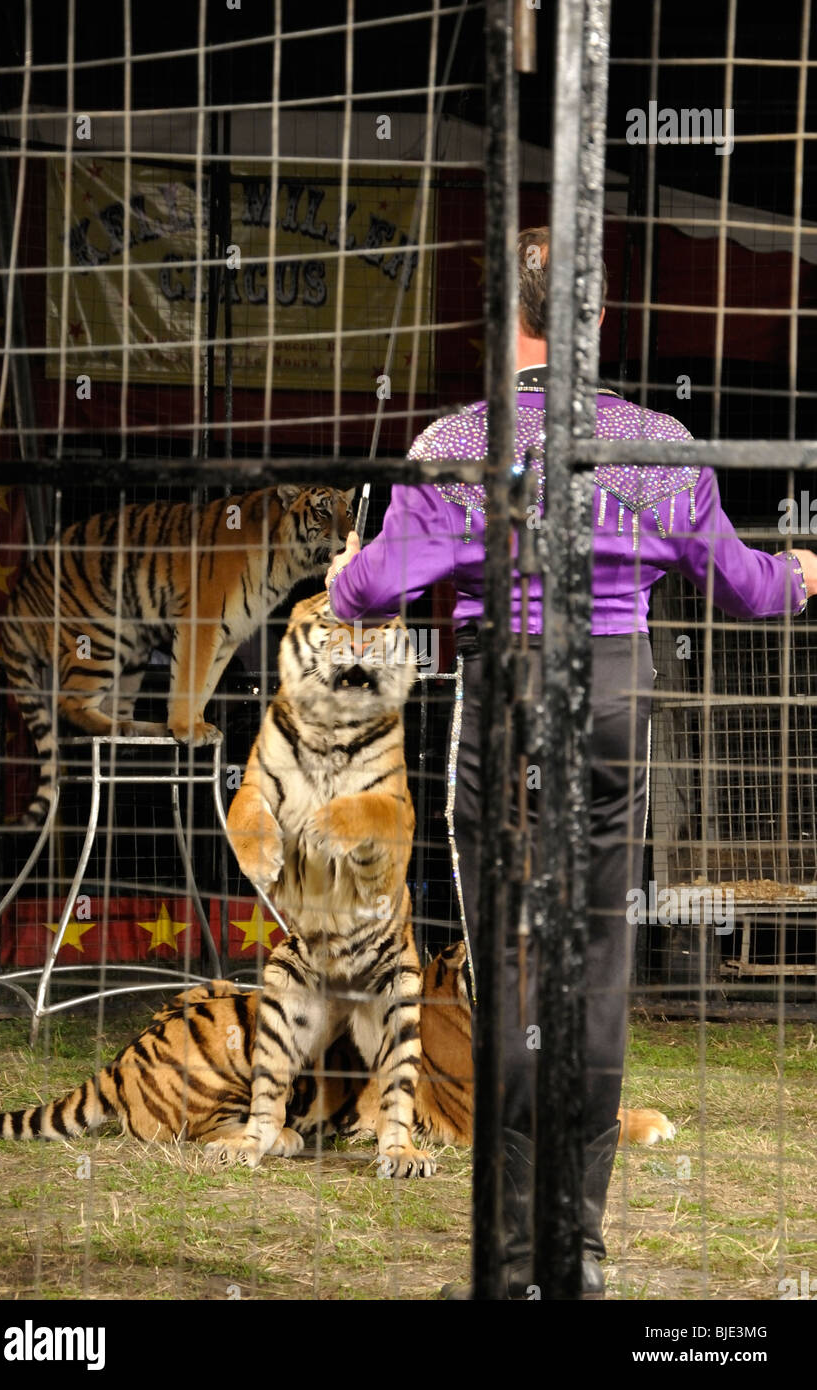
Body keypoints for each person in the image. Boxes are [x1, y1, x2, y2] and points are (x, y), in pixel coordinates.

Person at [325, 226, 817, 1300]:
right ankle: (577, 1249)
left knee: (504, 965)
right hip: (611, 699)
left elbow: (366, 594)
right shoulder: (656, 440)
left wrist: (346, 573)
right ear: (595, 318)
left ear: (501, 315)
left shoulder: (457, 439)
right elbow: (746, 587)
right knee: (593, 969)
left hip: (502, 696)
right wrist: (802, 572)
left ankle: (508, 1256)